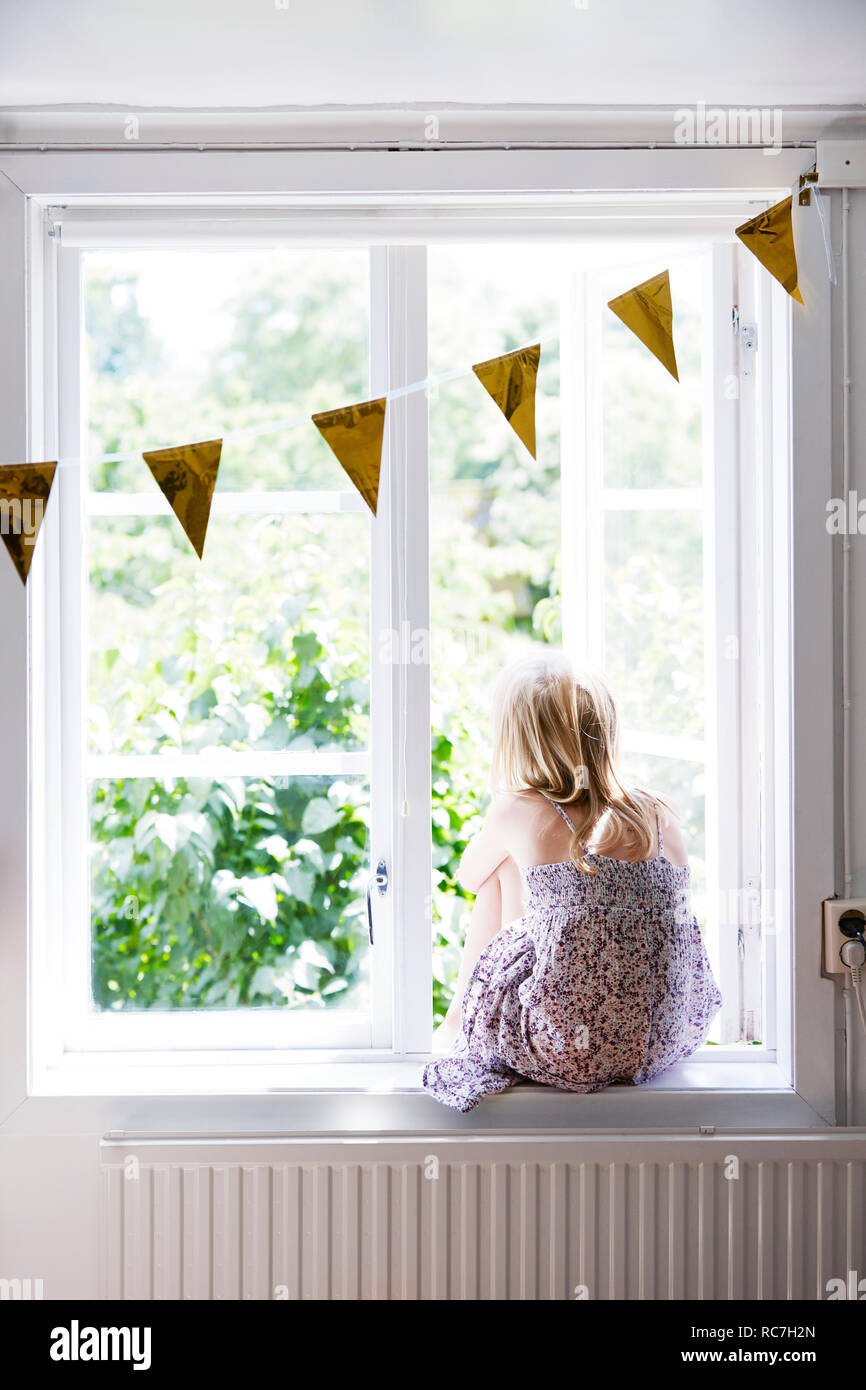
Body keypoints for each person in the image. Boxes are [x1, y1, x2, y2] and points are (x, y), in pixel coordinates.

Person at [423, 650, 722, 1112]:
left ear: (519, 741)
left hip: (569, 1048)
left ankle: (459, 1023)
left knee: (499, 871)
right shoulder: (658, 811)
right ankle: (465, 1023)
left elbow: (467, 875)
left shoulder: (520, 810)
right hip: (666, 1036)